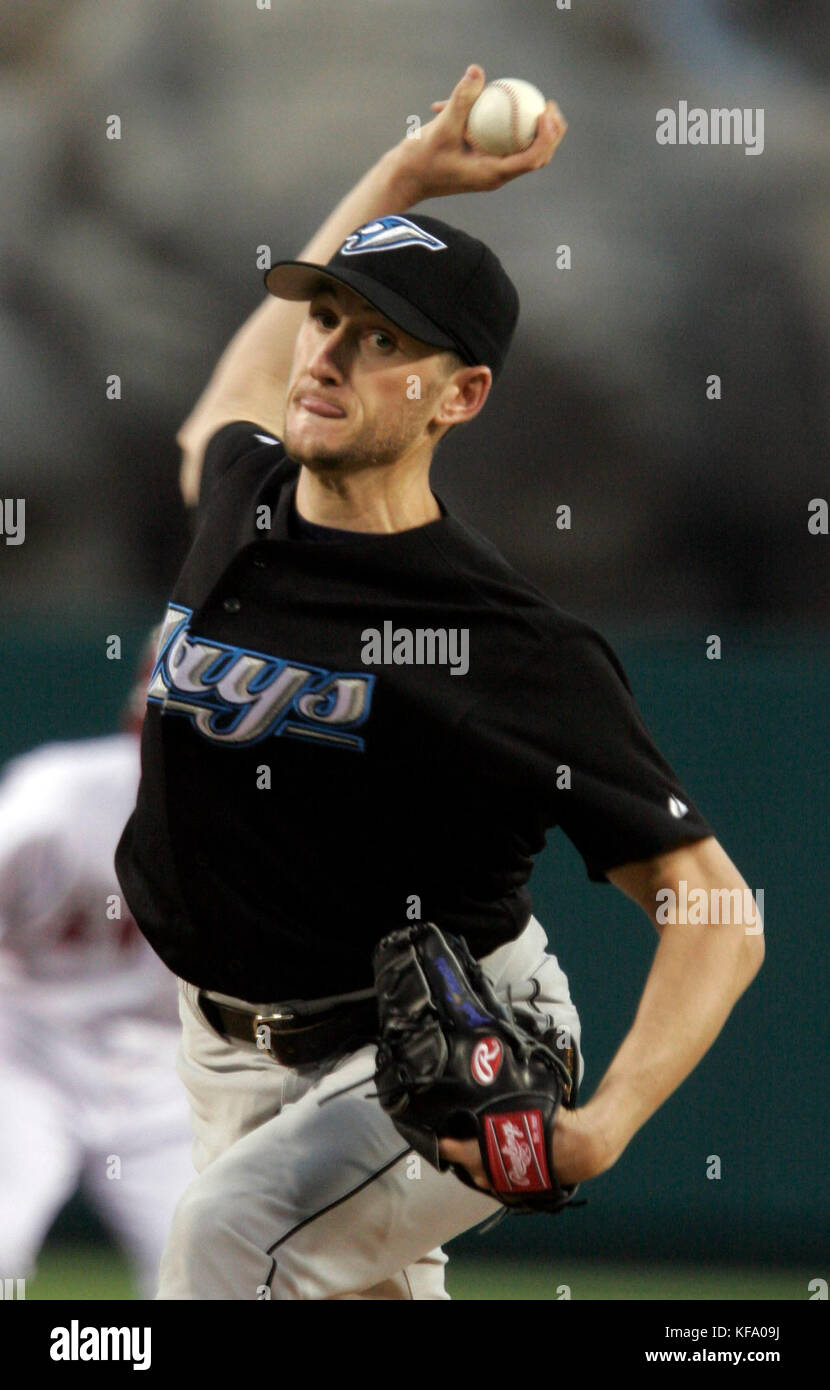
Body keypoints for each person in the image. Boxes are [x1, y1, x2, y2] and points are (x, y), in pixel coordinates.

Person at [115, 65, 763, 1300]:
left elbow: (715, 908)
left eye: (380, 339)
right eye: (325, 320)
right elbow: (238, 393)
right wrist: (402, 176)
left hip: (444, 1051)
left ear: (459, 394)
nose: (328, 356)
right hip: (226, 1051)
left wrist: (608, 1120)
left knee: (225, 1246)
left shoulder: (504, 642)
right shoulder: (247, 498)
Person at [0, 651, 195, 1300]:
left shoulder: (268, 836)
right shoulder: (56, 797)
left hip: (166, 1077)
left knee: (207, 1273)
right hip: (29, 1054)